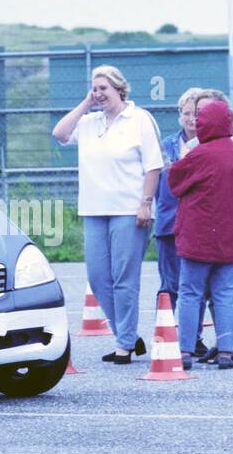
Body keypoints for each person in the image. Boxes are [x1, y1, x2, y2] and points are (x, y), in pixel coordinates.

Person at [53, 64, 163, 365]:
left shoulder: (139, 119)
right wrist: (86, 103)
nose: (99, 93)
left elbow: (153, 165)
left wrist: (146, 203)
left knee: (124, 279)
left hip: (129, 209)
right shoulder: (89, 122)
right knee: (99, 278)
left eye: (104, 88)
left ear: (119, 88)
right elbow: (60, 133)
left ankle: (124, 343)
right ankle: (127, 335)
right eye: (95, 88)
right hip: (94, 209)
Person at [167, 99, 233, 370]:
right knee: (225, 293)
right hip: (230, 238)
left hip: (198, 237)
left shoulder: (198, 154)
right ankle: (226, 350)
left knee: (190, 293)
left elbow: (175, 183)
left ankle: (185, 351)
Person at [152, 88, 210, 356]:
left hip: (198, 226)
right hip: (168, 224)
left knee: (194, 286)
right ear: (179, 116)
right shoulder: (165, 147)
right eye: (186, 113)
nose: (191, 119)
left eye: (196, 114)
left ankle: (192, 337)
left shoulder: (212, 147)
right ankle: (165, 334)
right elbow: (154, 184)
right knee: (169, 284)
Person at [196, 88, 233, 365]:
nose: (200, 117)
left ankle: (232, 341)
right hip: (201, 228)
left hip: (229, 225)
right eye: (197, 111)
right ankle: (216, 341)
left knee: (228, 288)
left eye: (206, 111)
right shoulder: (193, 146)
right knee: (204, 289)